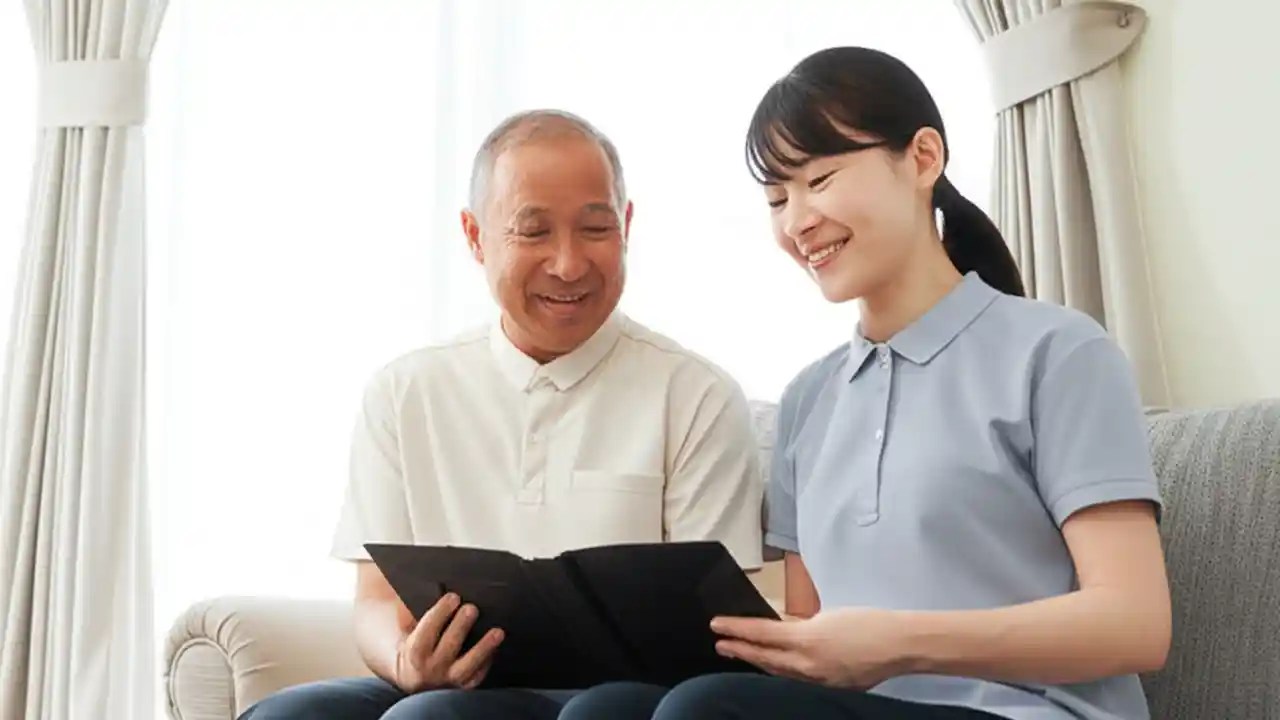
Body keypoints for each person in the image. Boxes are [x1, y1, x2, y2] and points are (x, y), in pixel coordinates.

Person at [560, 46, 1172, 720]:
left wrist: (900, 645)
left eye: (819, 180)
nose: (796, 221)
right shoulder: (808, 401)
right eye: (776, 197)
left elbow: (1134, 623)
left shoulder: (1058, 352)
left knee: (708, 710)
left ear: (923, 158)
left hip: (1030, 712)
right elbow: (812, 640)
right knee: (605, 709)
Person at [238, 109, 765, 720]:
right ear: (474, 236)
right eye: (533, 231)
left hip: (624, 698)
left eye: (595, 229)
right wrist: (407, 660)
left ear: (626, 225)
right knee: (290, 716)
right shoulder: (406, 391)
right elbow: (377, 602)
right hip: (448, 685)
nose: (568, 264)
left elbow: (710, 630)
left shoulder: (695, 395)